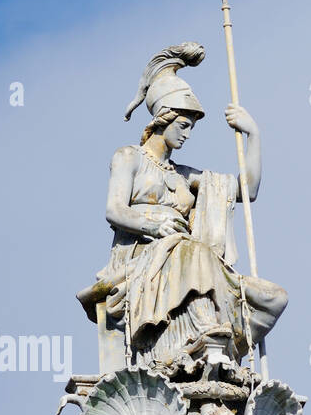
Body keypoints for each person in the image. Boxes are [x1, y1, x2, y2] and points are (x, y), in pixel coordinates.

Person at [78, 43, 287, 370]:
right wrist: (156, 226)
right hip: (143, 259)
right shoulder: (129, 157)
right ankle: (201, 331)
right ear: (165, 118)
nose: (188, 134)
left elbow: (248, 191)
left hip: (186, 259)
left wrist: (253, 135)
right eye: (185, 124)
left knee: (272, 297)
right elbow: (114, 211)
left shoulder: (187, 176)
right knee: (190, 251)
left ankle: (221, 343)